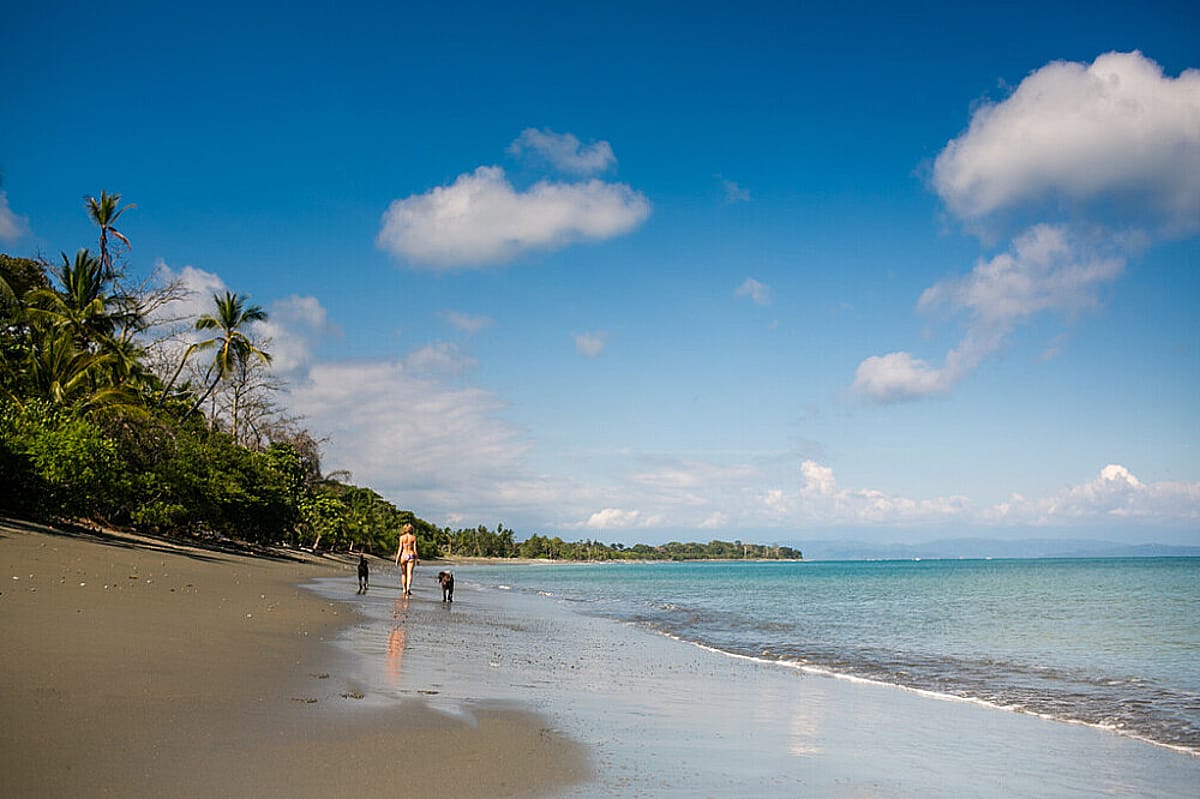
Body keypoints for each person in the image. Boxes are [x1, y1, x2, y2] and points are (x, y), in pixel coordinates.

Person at [394, 523, 418, 596]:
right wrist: (417, 558)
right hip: (410, 555)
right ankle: (408, 589)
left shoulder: (401, 537)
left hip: (404, 555)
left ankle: (404, 589)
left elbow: (400, 548)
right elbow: (414, 549)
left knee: (404, 574)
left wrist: (397, 558)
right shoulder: (413, 537)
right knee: (410, 574)